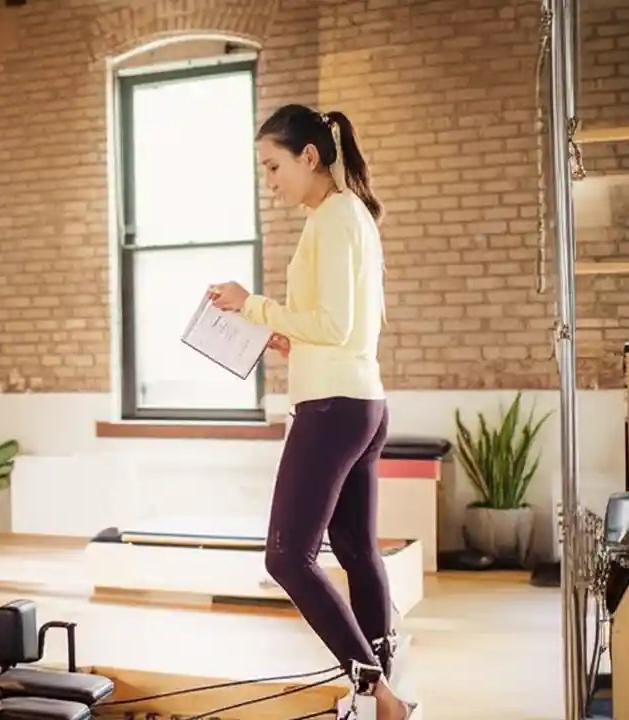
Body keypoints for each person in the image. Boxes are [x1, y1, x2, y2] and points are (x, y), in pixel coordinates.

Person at [207, 104, 414, 719]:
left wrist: (255, 306)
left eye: (274, 167)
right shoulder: (344, 217)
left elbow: (338, 323)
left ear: (309, 156)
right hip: (358, 399)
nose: (270, 181)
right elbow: (344, 330)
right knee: (354, 549)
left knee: (286, 555)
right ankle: (386, 690)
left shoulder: (336, 218)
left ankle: (375, 689)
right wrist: (284, 336)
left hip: (334, 408)